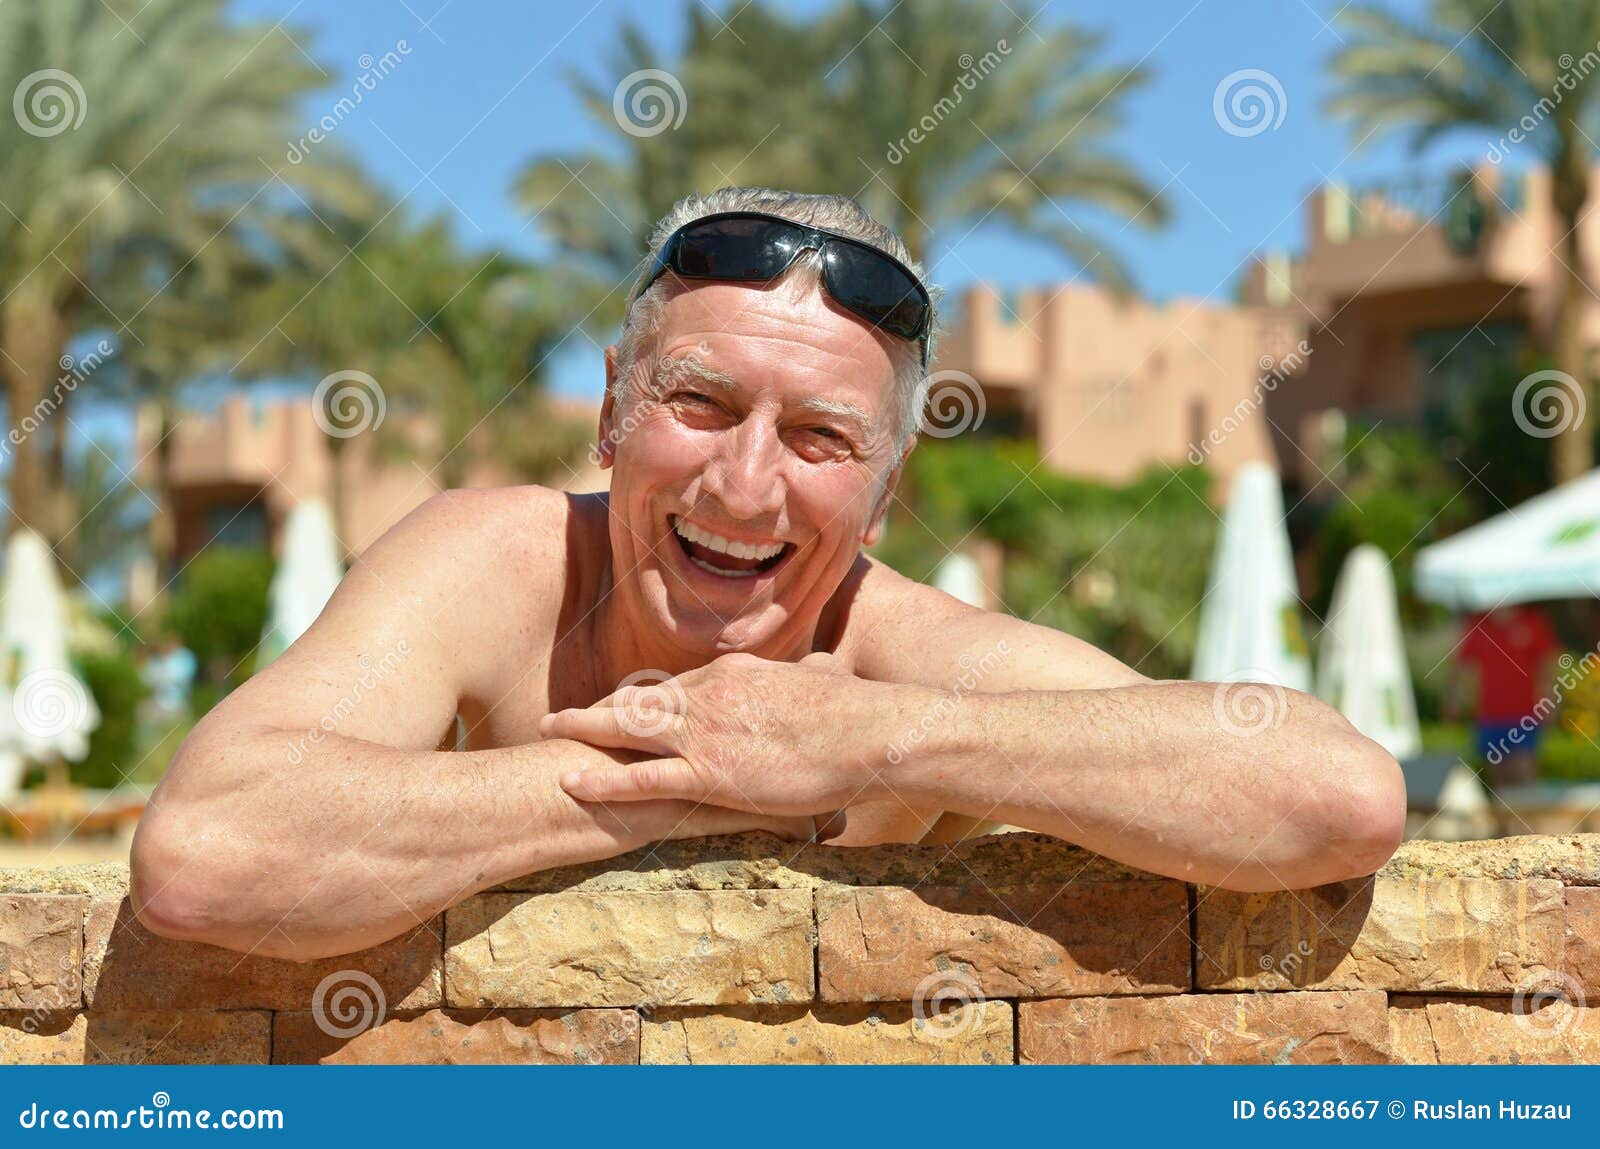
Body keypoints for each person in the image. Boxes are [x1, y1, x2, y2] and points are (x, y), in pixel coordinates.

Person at [128, 188, 1405, 962]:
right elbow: (205, 855)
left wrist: (868, 740)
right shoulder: (496, 560)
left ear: (886, 490)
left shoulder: (902, 657)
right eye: (699, 402)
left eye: (819, 438)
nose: (743, 487)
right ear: (616, 408)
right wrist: (701, 781)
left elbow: (1332, 795)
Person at [1450, 604, 1563, 789]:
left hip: (1524, 717)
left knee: (1524, 781)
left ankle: (1525, 817)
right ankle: (1506, 819)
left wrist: (1549, 700)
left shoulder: (1532, 621)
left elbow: (1546, 666)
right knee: (1498, 786)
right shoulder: (1478, 624)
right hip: (1489, 718)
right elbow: (1461, 665)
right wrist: (1454, 699)